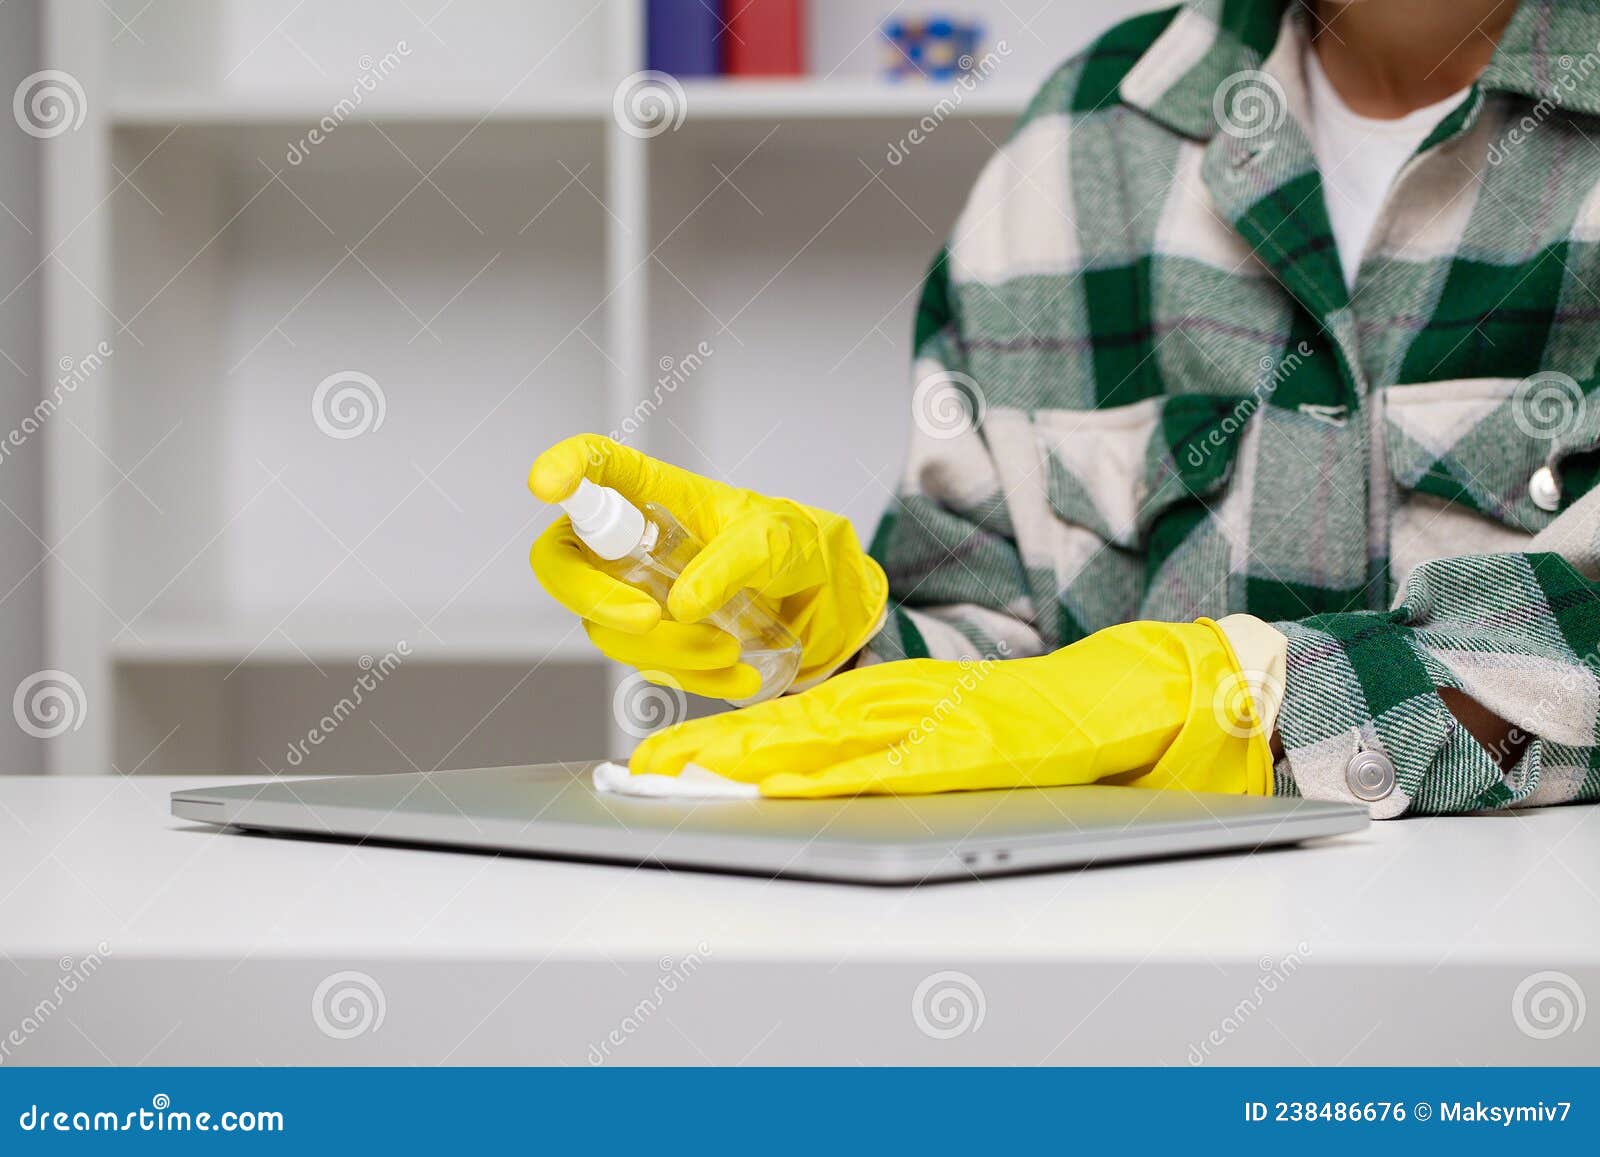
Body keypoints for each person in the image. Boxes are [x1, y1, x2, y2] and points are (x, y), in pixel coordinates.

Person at [530, 0, 1600, 815]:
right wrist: (831, 640)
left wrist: (1240, 706)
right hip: (1132, 969)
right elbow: (1001, 682)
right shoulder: (1084, 134)